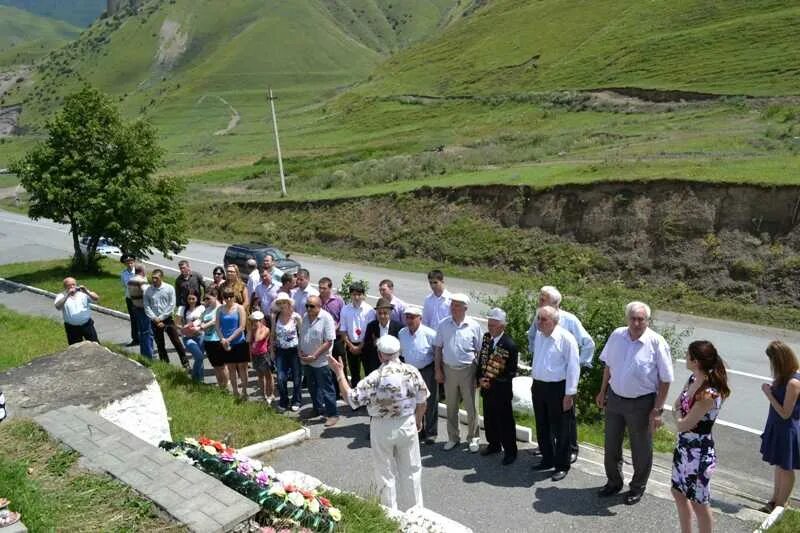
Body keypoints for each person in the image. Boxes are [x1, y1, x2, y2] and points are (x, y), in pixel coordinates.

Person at [328, 335, 429, 511]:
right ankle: (416, 512)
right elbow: (422, 401)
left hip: (382, 427)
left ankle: (390, 513)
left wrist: (339, 373)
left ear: (380, 355)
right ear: (398, 352)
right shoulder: (412, 371)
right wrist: (418, 420)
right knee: (412, 469)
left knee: (384, 472)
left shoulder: (374, 377)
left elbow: (351, 399)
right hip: (407, 423)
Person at [596, 301, 674, 505]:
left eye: (641, 319)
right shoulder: (617, 335)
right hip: (615, 398)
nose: (637, 323)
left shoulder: (656, 342)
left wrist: (657, 409)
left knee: (640, 448)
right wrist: (603, 391)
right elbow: (608, 366)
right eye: (633, 319)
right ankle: (613, 482)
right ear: (627, 319)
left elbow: (666, 379)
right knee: (611, 443)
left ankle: (637, 487)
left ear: (648, 321)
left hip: (642, 403)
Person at [528, 285, 595, 464]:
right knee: (543, 422)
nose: (539, 301)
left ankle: (568, 453)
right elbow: (532, 338)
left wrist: (578, 367)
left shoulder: (569, 323)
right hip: (541, 382)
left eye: (543, 299)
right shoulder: (539, 321)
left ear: (555, 303)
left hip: (561, 382)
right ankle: (548, 454)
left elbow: (587, 344)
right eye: (540, 298)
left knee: (564, 423)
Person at [671, 341, 730, 533]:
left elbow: (683, 424)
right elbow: (676, 405)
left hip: (698, 454)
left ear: (695, 361)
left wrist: (679, 416)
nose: (685, 357)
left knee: (699, 503)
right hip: (683, 447)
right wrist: (679, 416)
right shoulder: (692, 379)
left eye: (688, 355)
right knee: (678, 493)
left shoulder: (708, 394)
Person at [530, 306, 579, 480]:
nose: (539, 322)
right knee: (542, 426)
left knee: (561, 430)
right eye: (538, 318)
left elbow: (573, 368)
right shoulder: (539, 335)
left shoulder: (566, 339)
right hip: (539, 386)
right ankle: (547, 459)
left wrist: (569, 394)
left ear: (555, 321)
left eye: (544, 319)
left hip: (558, 389)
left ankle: (562, 465)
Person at [434, 293, 483, 452]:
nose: (453, 308)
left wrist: (478, 375)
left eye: (457, 305)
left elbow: (480, 351)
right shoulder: (443, 324)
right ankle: (453, 437)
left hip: (468, 370)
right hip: (448, 370)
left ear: (465, 308)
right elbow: (438, 348)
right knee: (451, 406)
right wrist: (438, 370)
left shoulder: (474, 326)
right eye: (452, 305)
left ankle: (473, 438)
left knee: (471, 407)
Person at [759, 340, 800, 514]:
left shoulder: (793, 382)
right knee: (779, 465)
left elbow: (785, 413)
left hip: (787, 429)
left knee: (786, 467)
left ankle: (781, 504)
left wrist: (768, 394)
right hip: (777, 427)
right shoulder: (783, 377)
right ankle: (775, 500)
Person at [477, 307, 519, 465]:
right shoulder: (487, 338)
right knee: (489, 419)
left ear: (502, 326)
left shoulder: (509, 344)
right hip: (487, 389)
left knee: (505, 422)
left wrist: (492, 381)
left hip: (501, 391)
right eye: (489, 324)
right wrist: (480, 378)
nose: (490, 328)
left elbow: (510, 372)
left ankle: (510, 452)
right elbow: (482, 360)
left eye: (493, 325)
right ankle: (494, 444)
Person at [399, 307, 438, 444]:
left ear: (420, 318)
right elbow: (401, 353)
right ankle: (418, 430)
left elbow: (437, 353)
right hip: (410, 372)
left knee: (430, 401)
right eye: (407, 317)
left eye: (412, 317)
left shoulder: (430, 334)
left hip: (427, 370)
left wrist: (438, 371)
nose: (409, 320)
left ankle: (431, 432)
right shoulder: (402, 333)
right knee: (413, 401)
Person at [299, 295, 339, 426]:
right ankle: (317, 409)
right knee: (312, 387)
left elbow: (328, 341)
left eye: (311, 306)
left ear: (319, 306)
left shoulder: (326, 318)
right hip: (307, 360)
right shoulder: (305, 317)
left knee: (326, 388)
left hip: (321, 361)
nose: (308, 308)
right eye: (307, 305)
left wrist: (315, 356)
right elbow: (302, 336)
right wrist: (300, 351)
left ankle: (332, 414)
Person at [144, 269, 190, 369]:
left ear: (162, 278)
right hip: (154, 320)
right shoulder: (148, 290)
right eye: (153, 278)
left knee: (176, 341)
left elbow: (171, 305)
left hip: (167, 319)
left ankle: (185, 363)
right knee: (160, 343)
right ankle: (165, 363)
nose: (154, 280)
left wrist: (161, 318)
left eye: (156, 278)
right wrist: (154, 318)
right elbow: (146, 306)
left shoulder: (169, 288)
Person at [339, 282, 376, 387]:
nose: (356, 297)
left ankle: (368, 394)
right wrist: (351, 346)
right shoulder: (345, 309)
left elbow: (370, 331)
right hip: (351, 345)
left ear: (363, 295)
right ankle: (356, 394)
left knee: (369, 372)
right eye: (354, 294)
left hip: (365, 345)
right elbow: (343, 330)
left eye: (359, 294)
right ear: (350, 295)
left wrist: (360, 347)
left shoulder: (369, 310)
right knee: (354, 373)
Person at [271, 292, 303, 411]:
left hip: (294, 351)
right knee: (280, 377)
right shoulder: (275, 317)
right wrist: (271, 350)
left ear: (289, 303)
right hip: (281, 351)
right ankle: (284, 400)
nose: (282, 305)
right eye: (279, 303)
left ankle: (296, 400)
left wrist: (301, 350)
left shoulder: (296, 317)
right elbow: (272, 334)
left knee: (296, 377)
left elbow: (302, 335)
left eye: (284, 302)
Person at [216, 287, 249, 399]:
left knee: (242, 368)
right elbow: (217, 326)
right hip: (226, 343)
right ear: (223, 298)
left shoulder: (239, 308)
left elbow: (242, 327)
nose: (229, 299)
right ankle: (235, 391)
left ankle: (244, 391)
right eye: (226, 297)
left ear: (234, 297)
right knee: (231, 368)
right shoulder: (220, 309)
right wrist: (222, 339)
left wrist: (229, 339)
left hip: (239, 342)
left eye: (231, 296)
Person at [363, 298, 404, 375]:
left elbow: (402, 349)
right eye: (379, 313)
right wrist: (373, 343)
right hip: (376, 364)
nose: (382, 316)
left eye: (385, 313)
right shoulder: (371, 326)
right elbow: (366, 346)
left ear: (390, 313)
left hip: (393, 365)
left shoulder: (399, 327)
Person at [319, 277, 346, 394]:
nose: (321, 290)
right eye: (320, 288)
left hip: (337, 337)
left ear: (330, 288)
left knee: (339, 362)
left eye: (324, 288)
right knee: (326, 364)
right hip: (323, 339)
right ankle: (330, 389)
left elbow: (343, 318)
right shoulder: (318, 301)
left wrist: (335, 328)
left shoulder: (338, 301)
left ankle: (342, 389)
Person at [54, 277, 99, 345]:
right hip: (72, 328)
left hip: (87, 325)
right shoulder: (61, 296)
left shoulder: (83, 293)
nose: (72, 287)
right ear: (65, 287)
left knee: (95, 344)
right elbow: (58, 306)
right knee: (75, 347)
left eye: (73, 284)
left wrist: (87, 291)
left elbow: (96, 298)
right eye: (69, 285)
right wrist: (67, 295)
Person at [200, 288, 228, 390]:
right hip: (208, 340)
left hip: (217, 340)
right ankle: (220, 386)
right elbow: (201, 319)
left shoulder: (220, 308)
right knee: (215, 366)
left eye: (208, 298)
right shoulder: (207, 308)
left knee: (222, 365)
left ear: (215, 296)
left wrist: (204, 326)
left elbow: (214, 321)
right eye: (205, 298)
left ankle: (226, 386)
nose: (206, 300)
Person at [177, 289, 206, 382]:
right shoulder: (182, 309)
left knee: (199, 358)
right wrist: (185, 328)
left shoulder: (202, 308)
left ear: (197, 299)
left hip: (200, 335)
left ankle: (199, 380)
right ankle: (195, 378)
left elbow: (204, 321)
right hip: (187, 337)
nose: (191, 301)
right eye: (189, 299)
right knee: (199, 356)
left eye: (193, 299)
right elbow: (177, 323)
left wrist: (197, 326)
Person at [127, 264, 153, 357]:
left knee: (141, 332)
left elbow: (129, 295)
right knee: (147, 332)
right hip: (144, 309)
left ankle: (144, 353)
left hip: (136, 307)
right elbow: (147, 292)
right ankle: (149, 354)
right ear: (142, 271)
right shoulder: (141, 281)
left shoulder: (130, 280)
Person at [247, 310, 274, 403]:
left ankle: (270, 394)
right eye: (253, 321)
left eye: (256, 320)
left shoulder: (266, 329)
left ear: (261, 320)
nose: (254, 322)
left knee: (268, 376)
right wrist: (250, 329)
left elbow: (258, 338)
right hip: (255, 355)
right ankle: (262, 395)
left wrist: (258, 328)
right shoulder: (252, 329)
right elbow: (248, 340)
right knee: (260, 376)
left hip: (264, 355)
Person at [120, 254, 138, 346]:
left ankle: (146, 337)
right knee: (133, 319)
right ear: (125, 263)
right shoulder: (123, 274)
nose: (129, 264)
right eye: (127, 262)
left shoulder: (139, 272)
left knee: (142, 319)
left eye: (131, 262)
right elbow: (124, 285)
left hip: (139, 300)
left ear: (134, 262)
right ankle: (135, 339)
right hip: (130, 299)